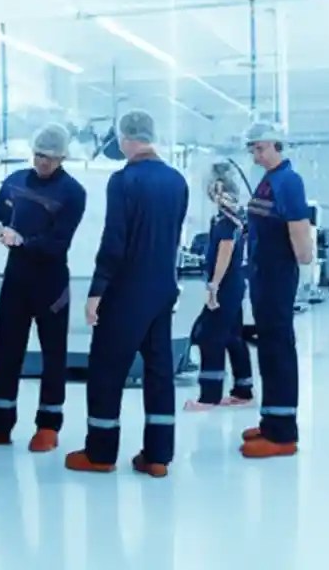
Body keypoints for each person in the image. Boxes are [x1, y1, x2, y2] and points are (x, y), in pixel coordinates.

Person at [65, 110, 188, 478]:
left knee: (106, 369)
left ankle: (100, 453)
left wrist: (97, 290)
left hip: (127, 290)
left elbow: (114, 239)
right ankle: (158, 456)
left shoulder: (123, 181)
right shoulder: (177, 181)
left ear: (125, 139)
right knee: (159, 371)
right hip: (163, 288)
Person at [0, 123, 86, 452]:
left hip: (51, 283)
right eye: (38, 156)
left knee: (53, 354)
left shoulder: (73, 192)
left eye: (50, 158)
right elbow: (2, 219)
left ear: (63, 157)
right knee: (5, 350)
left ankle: (48, 425)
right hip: (16, 278)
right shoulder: (14, 182)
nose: (43, 163)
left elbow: (58, 243)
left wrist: (23, 241)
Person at [239, 121, 313, 459]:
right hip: (262, 275)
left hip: (278, 276)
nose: (256, 154)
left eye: (261, 147)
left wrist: (303, 259)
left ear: (278, 146)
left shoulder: (288, 181)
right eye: (253, 148)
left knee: (279, 349)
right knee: (267, 349)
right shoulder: (267, 182)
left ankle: (284, 434)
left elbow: (299, 229)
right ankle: (271, 421)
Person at [184, 162, 255, 411]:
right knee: (233, 336)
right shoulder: (237, 216)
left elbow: (225, 252)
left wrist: (213, 286)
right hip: (235, 283)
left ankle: (209, 396)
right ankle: (243, 390)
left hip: (226, 284)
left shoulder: (226, 219)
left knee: (210, 336)